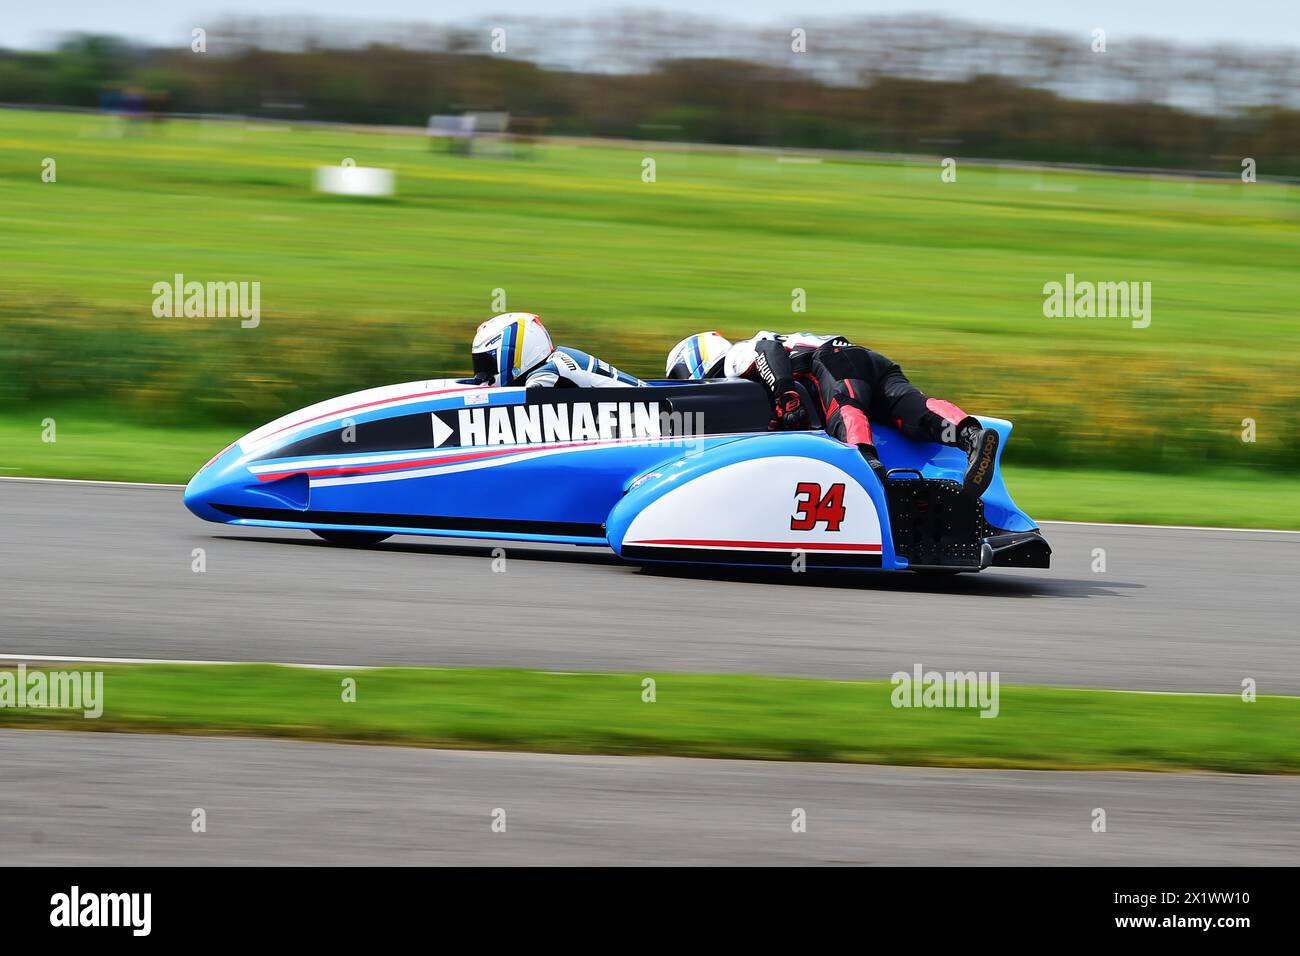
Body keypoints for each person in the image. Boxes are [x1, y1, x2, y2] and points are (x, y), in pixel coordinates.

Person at [666, 330, 1000, 498]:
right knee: (915, 411)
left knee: (845, 407)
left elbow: (766, 351)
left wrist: (784, 391)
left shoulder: (736, 356)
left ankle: (868, 470)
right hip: (874, 362)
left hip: (833, 361)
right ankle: (970, 435)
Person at [471, 313, 643, 388]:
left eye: (487, 364)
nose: (482, 376)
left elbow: (522, 400)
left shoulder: (548, 372)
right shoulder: (555, 361)